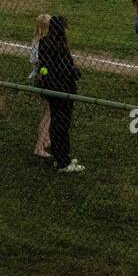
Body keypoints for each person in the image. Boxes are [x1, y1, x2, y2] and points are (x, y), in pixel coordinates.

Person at [37, 15, 84, 172]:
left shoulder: (44, 42)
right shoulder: (60, 46)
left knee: (56, 122)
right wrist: (76, 72)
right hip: (64, 89)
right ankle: (64, 161)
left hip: (50, 87)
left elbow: (45, 66)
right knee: (62, 124)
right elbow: (64, 68)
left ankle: (59, 156)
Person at [26, 14, 52, 159]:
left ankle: (46, 139)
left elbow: (32, 60)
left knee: (45, 110)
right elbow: (38, 61)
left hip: (38, 78)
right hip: (45, 78)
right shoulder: (45, 43)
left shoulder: (36, 41)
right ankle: (39, 146)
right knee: (49, 113)